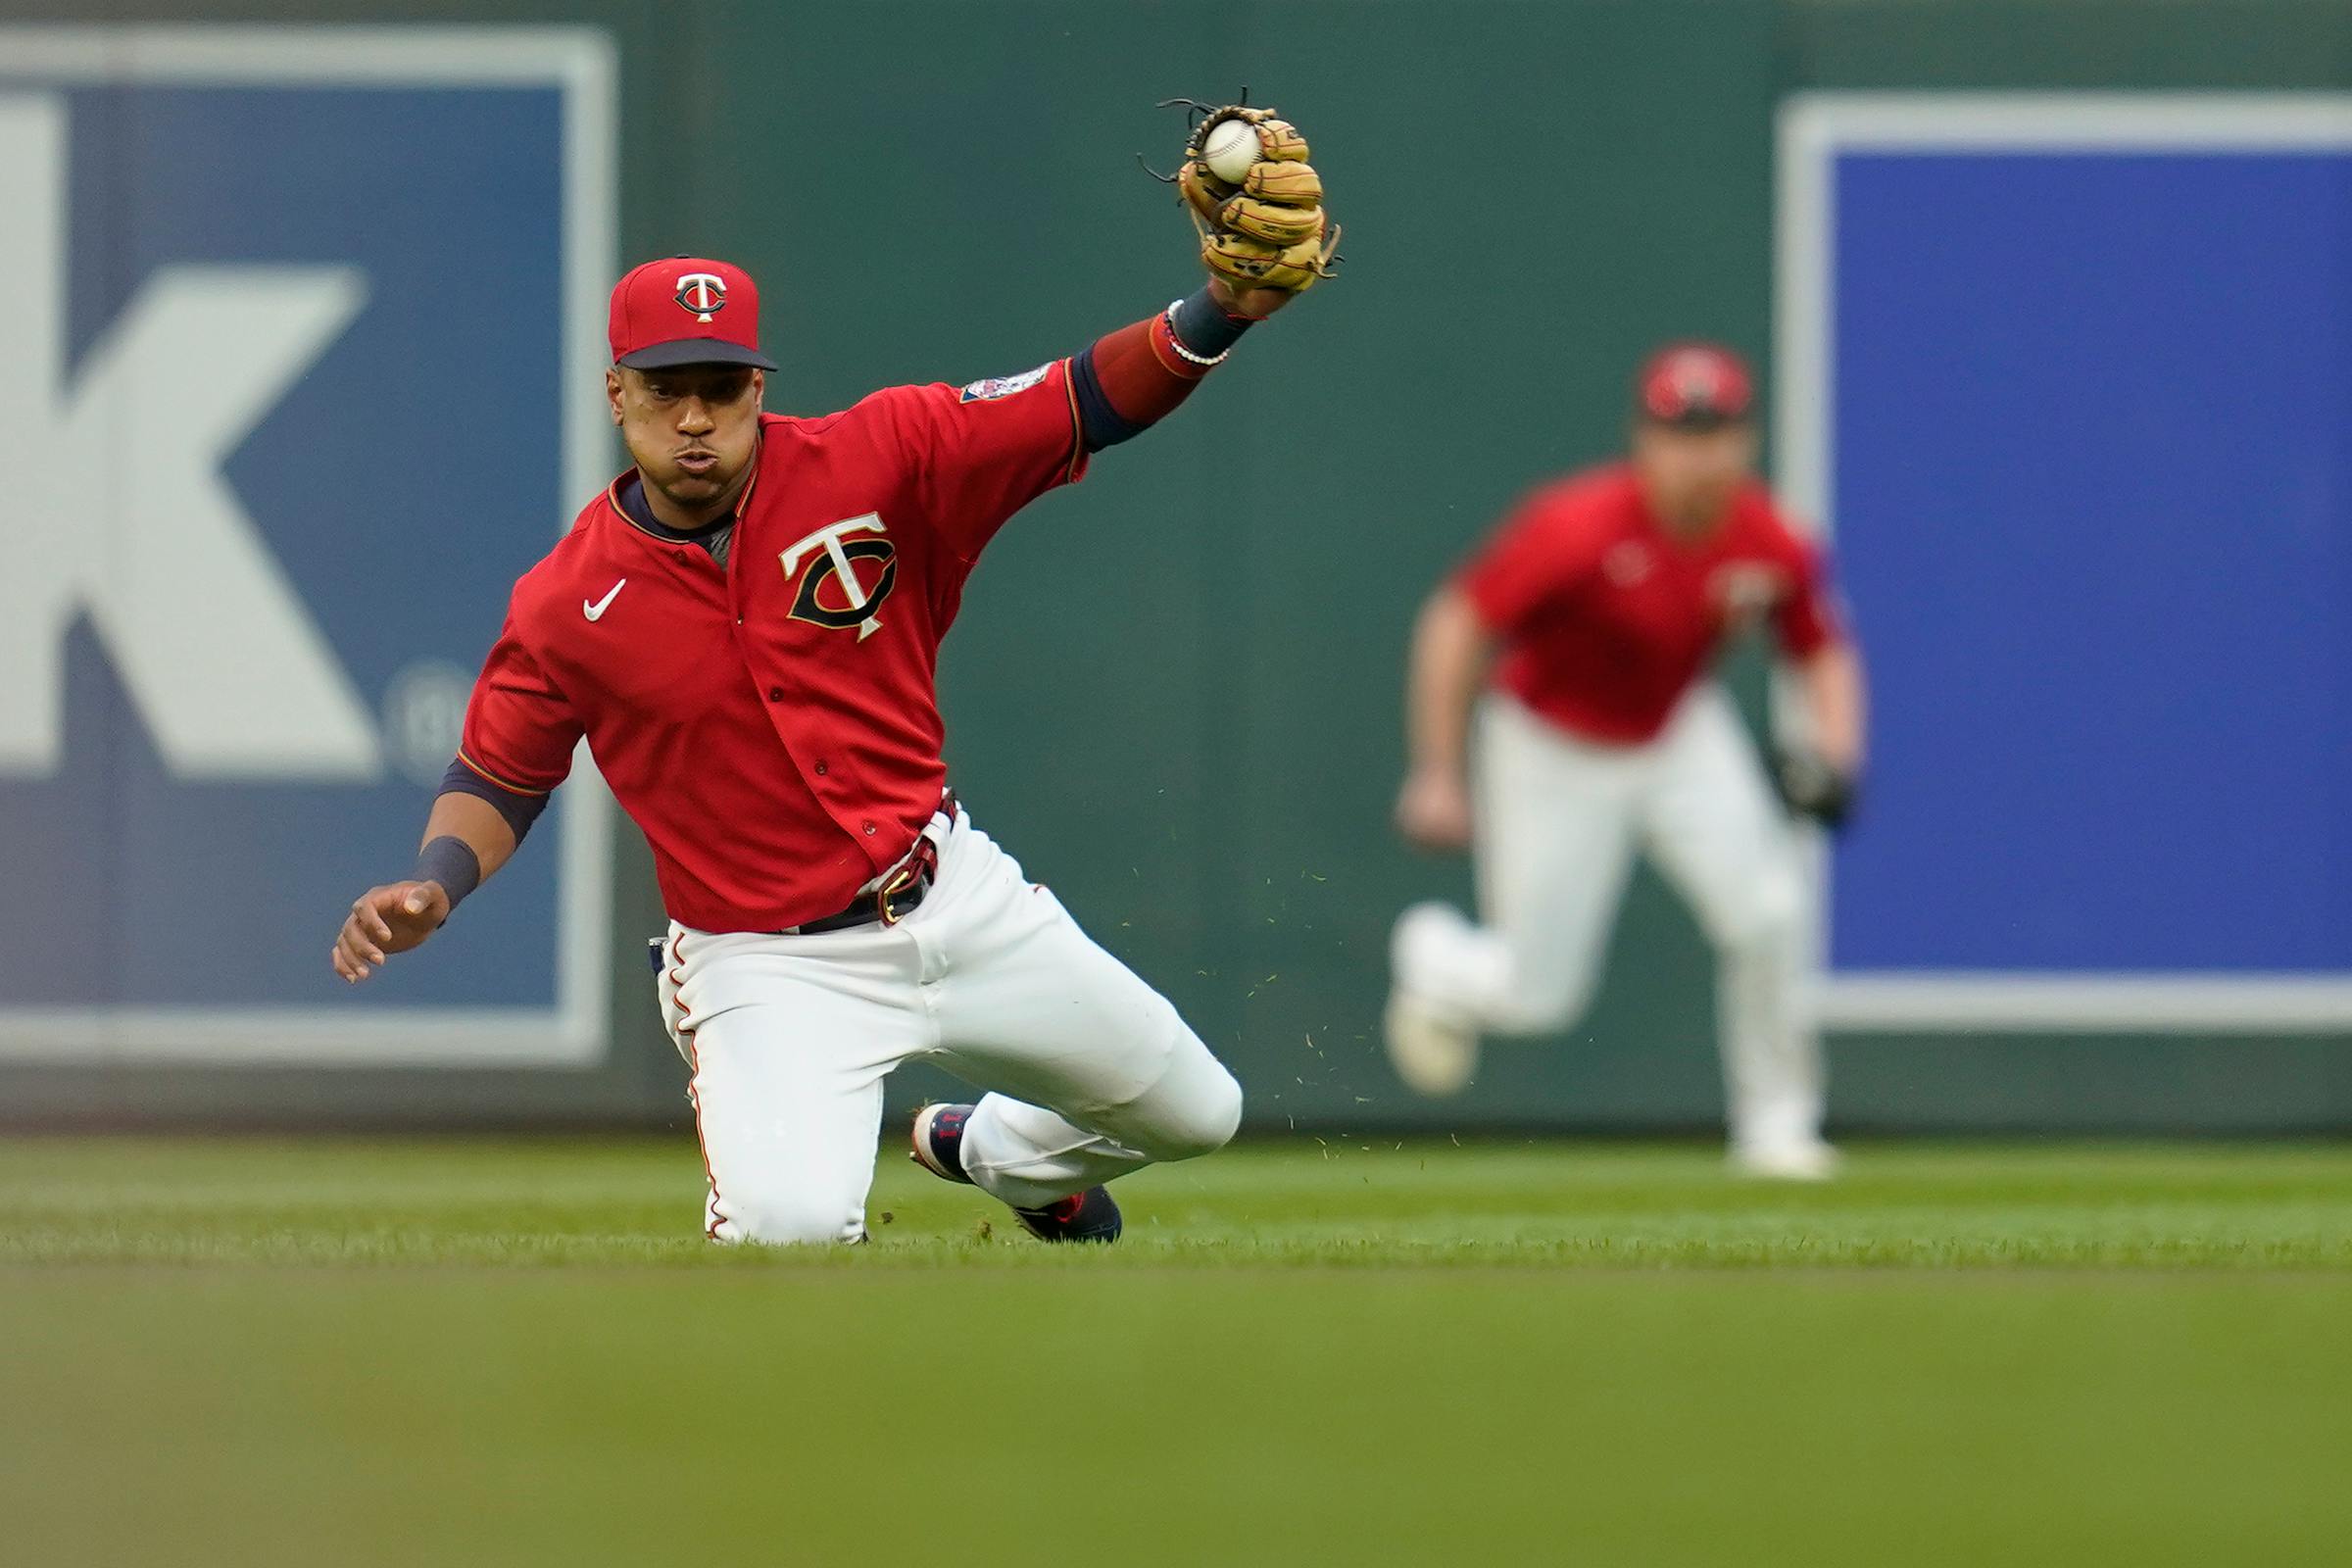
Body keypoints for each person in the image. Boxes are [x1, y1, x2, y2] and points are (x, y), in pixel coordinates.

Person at [328, 107, 1337, 1242]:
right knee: (792, 1233)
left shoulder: (885, 455)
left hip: (948, 891)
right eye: (668, 389)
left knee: (1201, 1110)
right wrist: (437, 882)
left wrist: (1219, 316)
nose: (697, 415)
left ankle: (997, 1152)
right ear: (619, 397)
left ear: (761, 384)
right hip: (765, 961)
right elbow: (503, 773)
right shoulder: (568, 597)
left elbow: (1080, 400)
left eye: (722, 382)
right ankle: (821, 1112)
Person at [1386, 344, 1865, 1179]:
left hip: (1677, 732)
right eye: (1680, 433)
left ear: (1745, 442)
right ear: (1643, 441)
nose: (1700, 455)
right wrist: (1438, 772)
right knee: (1538, 1000)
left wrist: (1837, 755)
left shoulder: (1763, 537)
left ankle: (1778, 1128)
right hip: (1551, 745)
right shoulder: (1575, 526)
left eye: (1717, 433)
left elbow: (1822, 650)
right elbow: (1455, 622)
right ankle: (1434, 956)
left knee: (1769, 916)